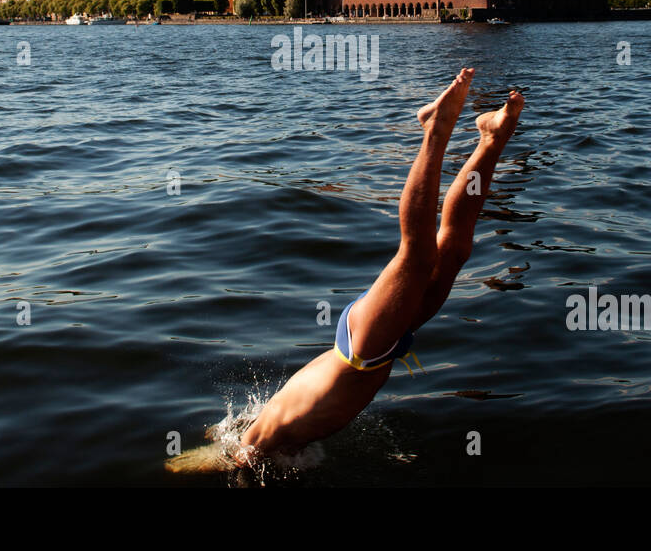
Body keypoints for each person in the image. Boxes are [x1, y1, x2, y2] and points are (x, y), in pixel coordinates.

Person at [167, 68, 524, 472]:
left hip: (361, 353)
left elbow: (210, 463)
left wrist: (217, 466)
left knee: (417, 255)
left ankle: (434, 130)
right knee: (453, 249)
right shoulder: (269, 430)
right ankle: (492, 137)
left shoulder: (253, 447)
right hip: (379, 349)